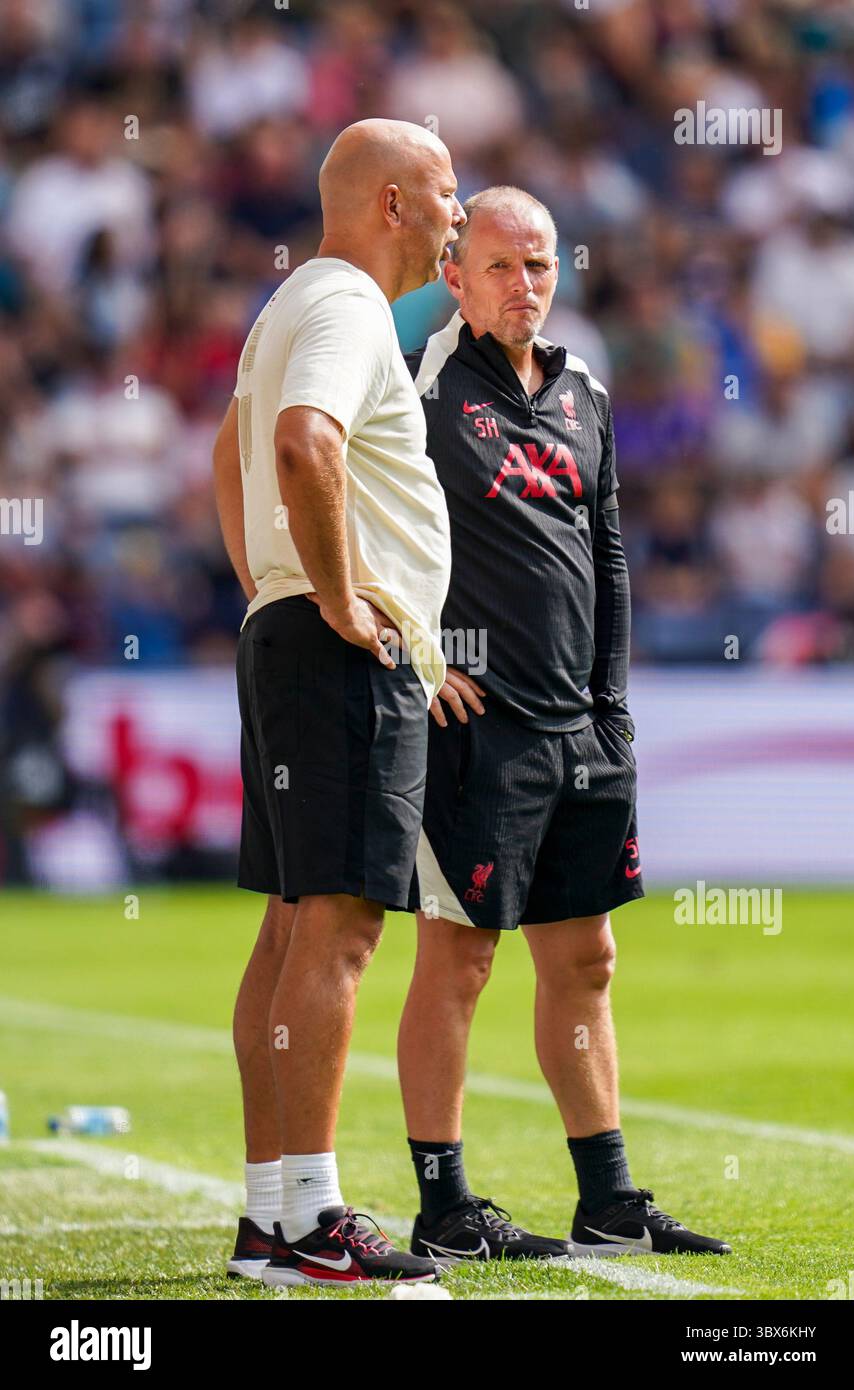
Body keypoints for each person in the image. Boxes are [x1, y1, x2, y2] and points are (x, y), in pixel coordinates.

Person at [399, 186, 732, 1260]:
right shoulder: (421, 381)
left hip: (579, 725)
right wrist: (416, 647)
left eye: (538, 265)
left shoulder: (582, 386)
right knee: (459, 958)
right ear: (454, 274)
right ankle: (444, 1204)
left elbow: (608, 553)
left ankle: (607, 1197)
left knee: (583, 957)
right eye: (499, 266)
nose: (522, 286)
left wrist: (614, 705)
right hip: (475, 720)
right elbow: (359, 510)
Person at [211, 119, 465, 1286]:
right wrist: (340, 596)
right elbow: (299, 444)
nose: (456, 216)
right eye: (446, 193)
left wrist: (272, 586)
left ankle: (272, 1216)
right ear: (393, 203)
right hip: (336, 645)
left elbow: (230, 456)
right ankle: (312, 1216)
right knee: (344, 925)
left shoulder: (293, 305)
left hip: (288, 630)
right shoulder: (350, 305)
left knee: (290, 925)